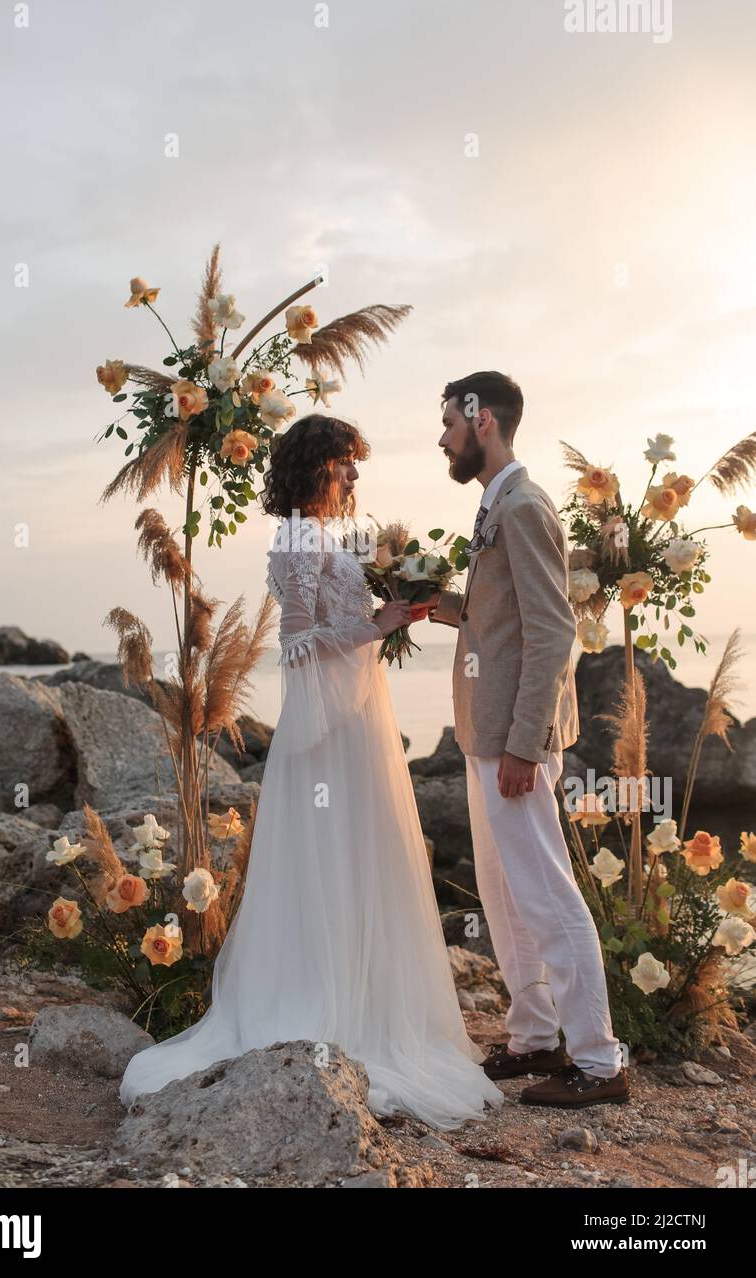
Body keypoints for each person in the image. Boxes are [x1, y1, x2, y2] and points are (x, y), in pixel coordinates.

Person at [120, 413, 504, 1130]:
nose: (354, 475)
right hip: (327, 730)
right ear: (312, 469)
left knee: (363, 857)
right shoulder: (296, 537)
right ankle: (328, 1012)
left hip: (355, 718)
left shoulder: (322, 537)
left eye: (356, 462)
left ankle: (370, 1007)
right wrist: (378, 624)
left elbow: (333, 626)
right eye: (343, 462)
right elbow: (296, 646)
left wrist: (393, 609)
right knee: (332, 859)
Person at [426, 371, 629, 1108]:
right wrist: (432, 602)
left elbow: (553, 631)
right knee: (505, 894)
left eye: (449, 421)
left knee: (545, 892)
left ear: (483, 421)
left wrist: (524, 743)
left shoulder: (523, 506)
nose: (441, 436)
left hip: (512, 738)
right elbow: (501, 620)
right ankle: (534, 1037)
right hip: (488, 732)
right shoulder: (496, 505)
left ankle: (602, 1063)